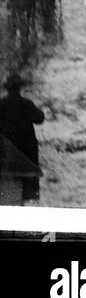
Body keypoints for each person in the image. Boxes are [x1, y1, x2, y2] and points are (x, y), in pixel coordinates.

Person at [0, 74, 45, 204]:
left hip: (7, 151)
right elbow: (40, 118)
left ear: (8, 89)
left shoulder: (2, 105)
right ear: (19, 88)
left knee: (8, 181)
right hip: (26, 150)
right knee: (26, 181)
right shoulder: (26, 104)